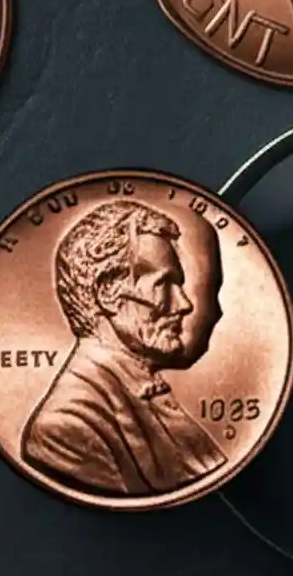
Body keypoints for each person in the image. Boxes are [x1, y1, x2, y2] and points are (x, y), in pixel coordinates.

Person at [21, 200, 227, 495]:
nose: (184, 304)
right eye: (163, 284)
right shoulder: (65, 427)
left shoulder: (145, 392)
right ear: (108, 293)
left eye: (178, 285)